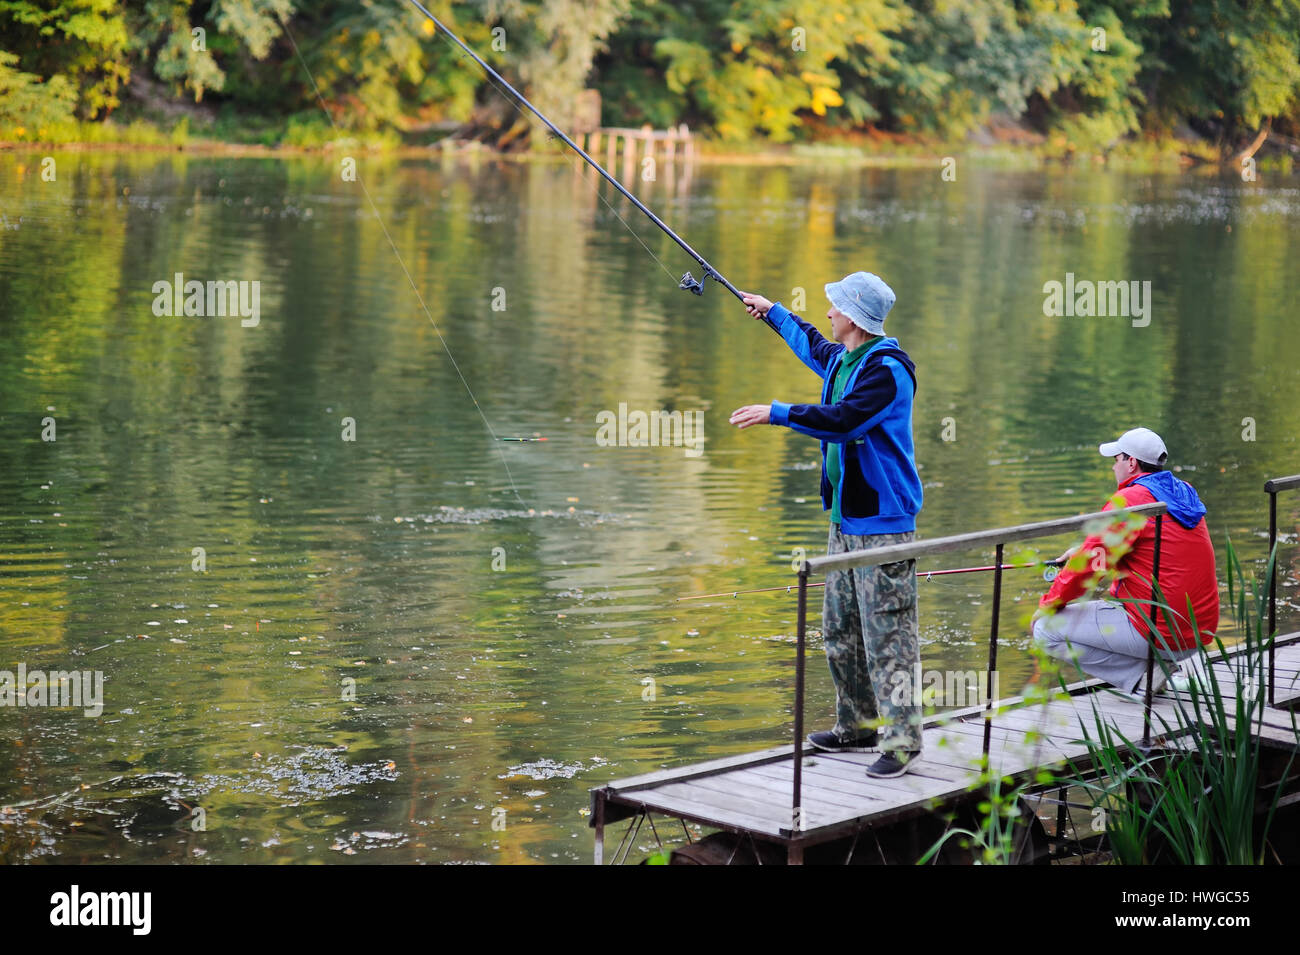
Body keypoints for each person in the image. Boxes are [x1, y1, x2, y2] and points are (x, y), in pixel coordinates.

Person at [729, 272, 924, 778]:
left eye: (835, 305)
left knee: (889, 637)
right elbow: (811, 342)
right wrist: (773, 312)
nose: (829, 312)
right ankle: (856, 725)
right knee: (839, 630)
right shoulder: (844, 357)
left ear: (855, 317)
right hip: (845, 520)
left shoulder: (888, 372)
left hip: (884, 524)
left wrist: (778, 413)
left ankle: (902, 741)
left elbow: (844, 420)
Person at [1032, 427, 1219, 695]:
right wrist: (1083, 549)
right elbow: (1148, 547)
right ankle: (1157, 669)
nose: (1113, 467)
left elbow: (1088, 570)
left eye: (1116, 459)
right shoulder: (1183, 492)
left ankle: (1143, 679)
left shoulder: (1130, 502)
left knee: (1045, 630)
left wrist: (1049, 605)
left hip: (1161, 632)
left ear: (1131, 463)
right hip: (1198, 632)